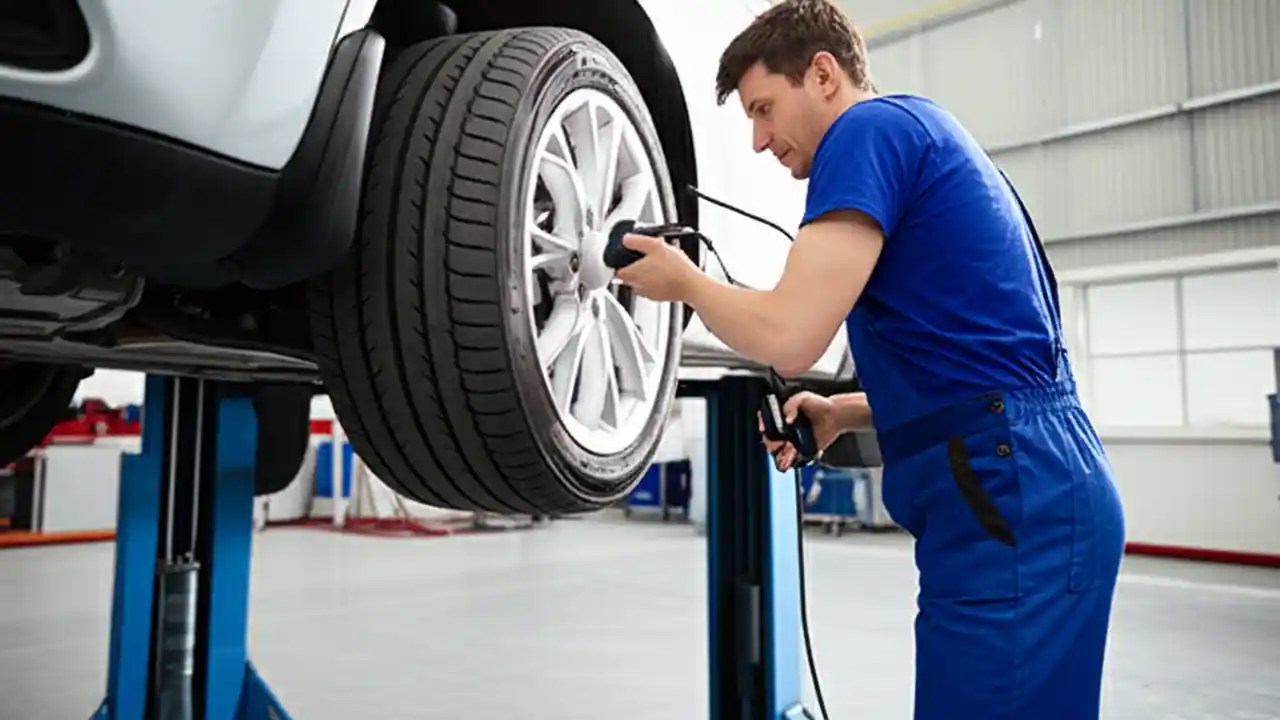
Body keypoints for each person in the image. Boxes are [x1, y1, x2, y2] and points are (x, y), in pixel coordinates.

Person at [612, 0, 1127, 718]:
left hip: (1016, 503)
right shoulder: (920, 132)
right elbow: (978, 371)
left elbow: (794, 338)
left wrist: (685, 282)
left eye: (764, 109)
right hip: (1030, 487)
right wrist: (843, 412)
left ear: (823, 74)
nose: (759, 141)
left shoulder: (867, 131)